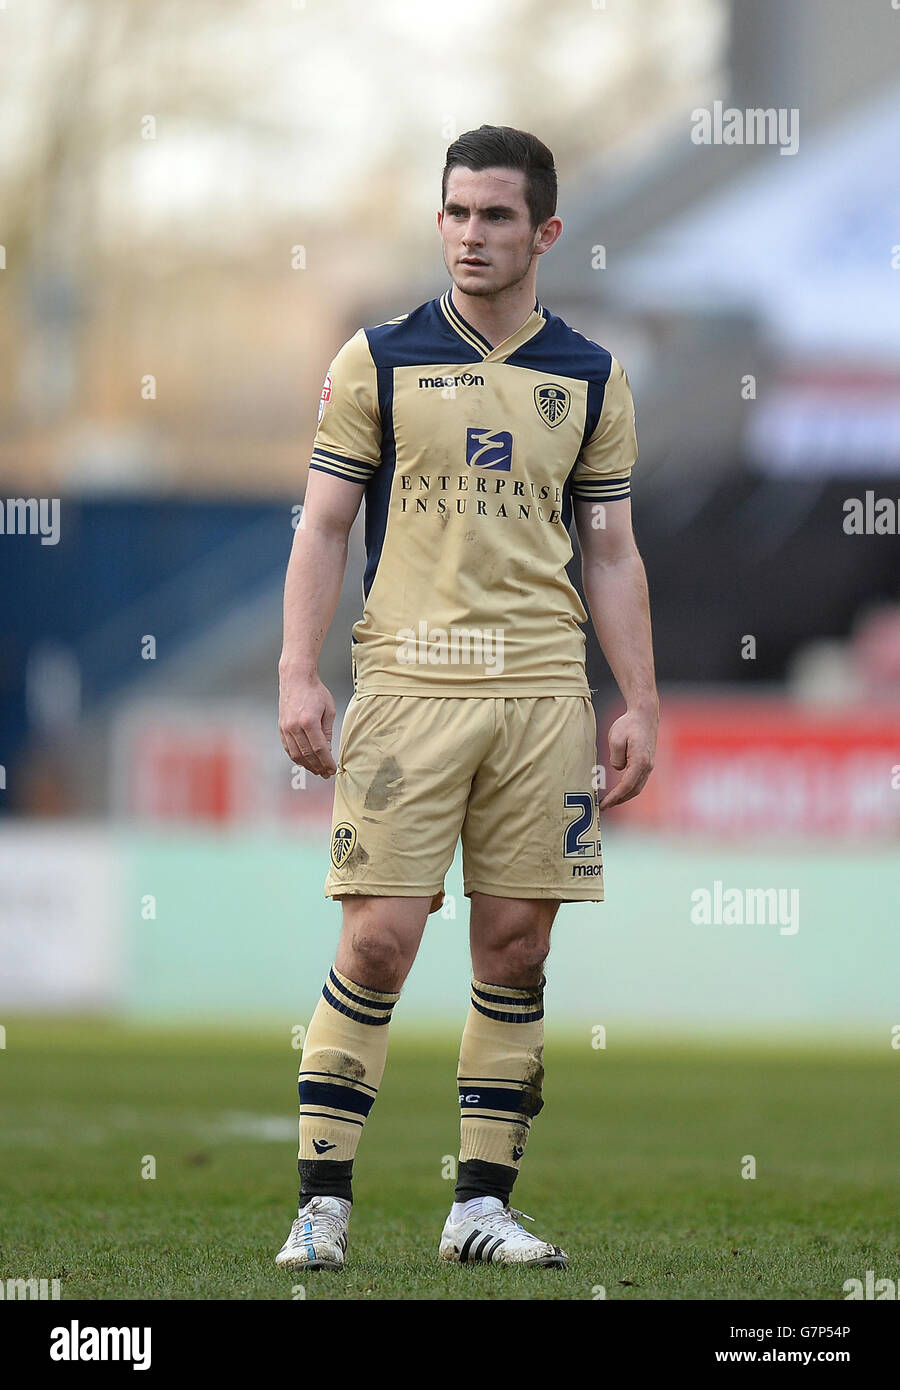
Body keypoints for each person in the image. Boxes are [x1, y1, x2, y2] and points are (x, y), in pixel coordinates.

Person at [275, 124, 658, 1271]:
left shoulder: (591, 376)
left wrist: (638, 700)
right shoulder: (377, 359)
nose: (471, 234)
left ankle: (479, 1208)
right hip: (408, 684)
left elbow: (612, 550)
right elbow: (324, 524)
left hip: (544, 692)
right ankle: (322, 1205)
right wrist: (297, 668)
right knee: (379, 941)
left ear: (545, 232)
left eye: (496, 215)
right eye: (455, 212)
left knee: (517, 948)